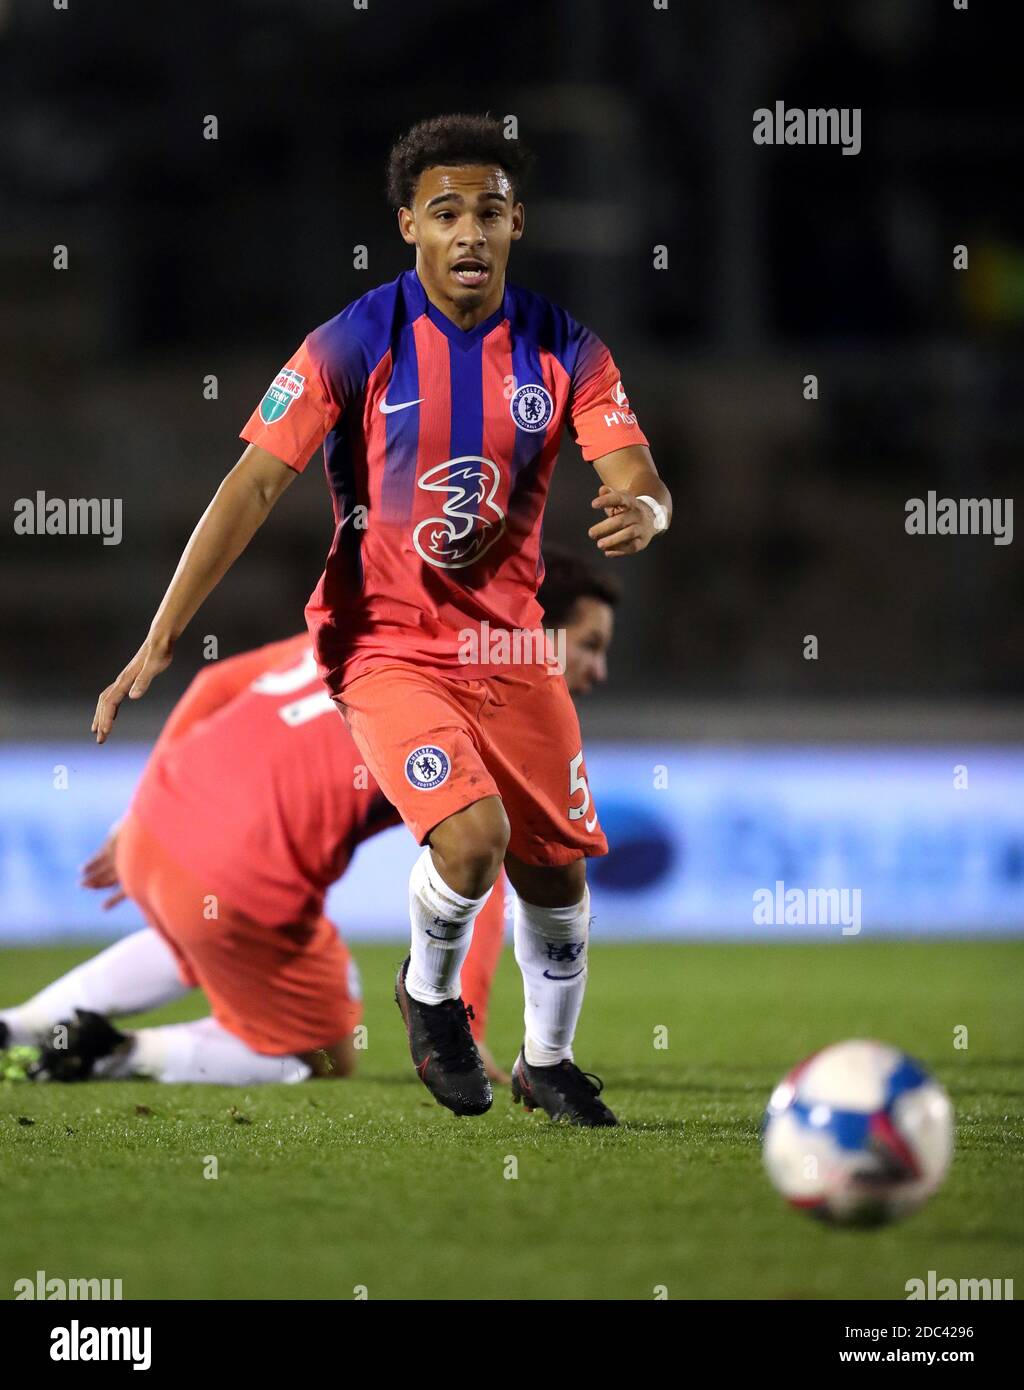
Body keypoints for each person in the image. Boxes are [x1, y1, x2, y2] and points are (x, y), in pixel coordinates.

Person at [91, 113, 670, 1125]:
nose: (469, 231)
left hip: (508, 647)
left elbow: (632, 466)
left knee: (556, 875)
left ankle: (547, 1061)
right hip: (387, 644)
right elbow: (252, 484)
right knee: (474, 840)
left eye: (488, 211)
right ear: (408, 224)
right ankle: (431, 998)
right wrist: (163, 630)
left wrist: (647, 506)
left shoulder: (564, 346)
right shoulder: (355, 340)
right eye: (446, 212)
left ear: (517, 222)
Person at [2, 550, 619, 1091]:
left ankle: (20, 1025)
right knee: (324, 1051)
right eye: (588, 645)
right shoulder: (484, 701)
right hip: (237, 881)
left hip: (153, 829)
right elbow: (476, 872)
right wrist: (467, 1024)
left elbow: (215, 682)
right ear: (532, 632)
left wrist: (139, 812)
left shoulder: (379, 629)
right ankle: (115, 1054)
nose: (599, 672)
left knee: (207, 944)